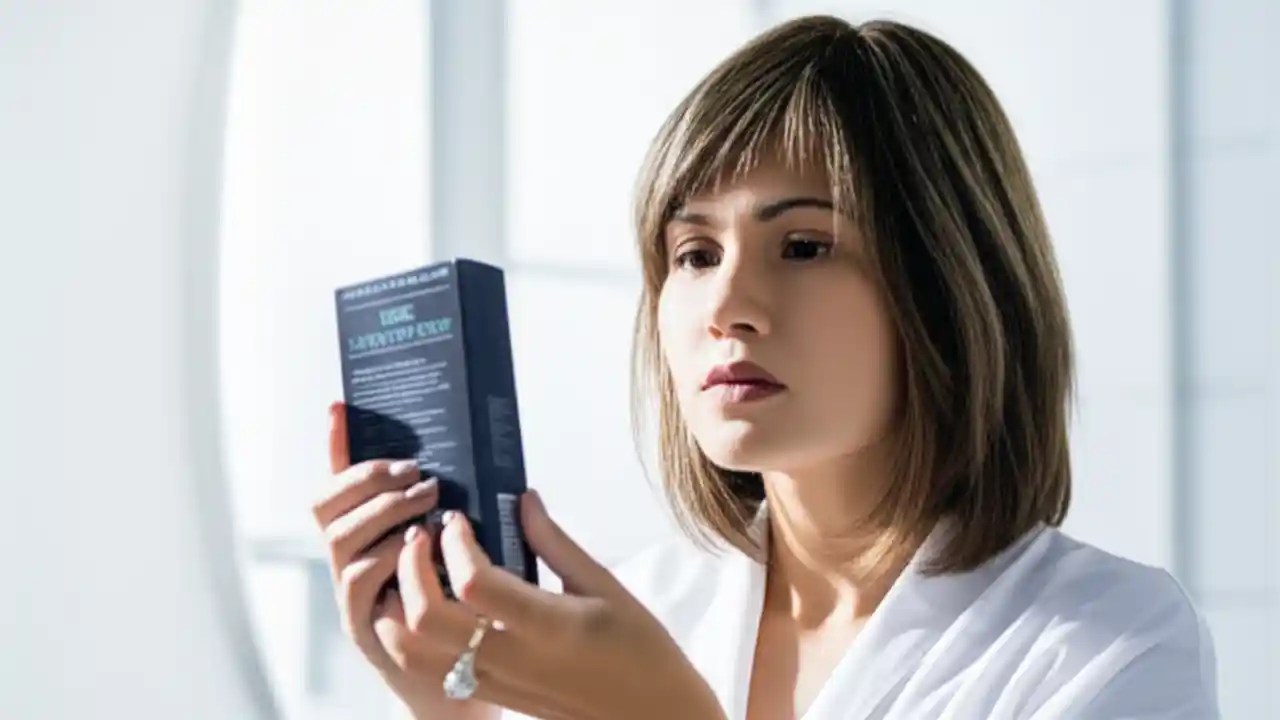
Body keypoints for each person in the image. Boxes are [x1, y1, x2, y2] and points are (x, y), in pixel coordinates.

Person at [311, 15, 1220, 720]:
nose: (728, 305)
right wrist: (458, 710)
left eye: (804, 245)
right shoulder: (646, 611)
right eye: (695, 255)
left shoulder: (1111, 645)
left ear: (950, 280)